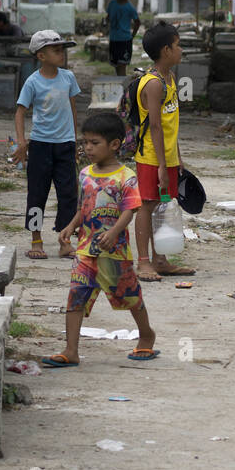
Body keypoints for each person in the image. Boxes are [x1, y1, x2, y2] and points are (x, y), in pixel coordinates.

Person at [41, 113, 156, 367]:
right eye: (85, 143)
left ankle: (146, 334)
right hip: (85, 251)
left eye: (94, 143)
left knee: (130, 296)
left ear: (114, 144)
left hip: (115, 253)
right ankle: (71, 350)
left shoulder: (126, 176)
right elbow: (84, 207)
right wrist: (70, 226)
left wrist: (114, 232)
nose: (87, 148)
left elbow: (130, 209)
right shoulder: (85, 174)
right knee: (76, 296)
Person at [133, 23, 194, 281]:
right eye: (178, 45)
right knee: (147, 205)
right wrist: (160, 165)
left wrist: (176, 157)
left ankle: (161, 260)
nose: (181, 49)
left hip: (166, 155)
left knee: (161, 206)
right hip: (150, 157)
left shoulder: (170, 79)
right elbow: (155, 125)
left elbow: (171, 124)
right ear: (166, 50)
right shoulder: (154, 84)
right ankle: (144, 262)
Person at [14, 30, 81, 261]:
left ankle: (65, 240)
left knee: (69, 194)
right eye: (56, 50)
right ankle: (36, 239)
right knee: (37, 194)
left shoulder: (68, 78)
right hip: (41, 145)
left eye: (62, 49)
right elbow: (20, 112)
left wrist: (75, 140)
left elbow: (72, 108)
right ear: (41, 56)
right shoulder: (33, 81)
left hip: (65, 145)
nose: (61, 53)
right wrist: (22, 143)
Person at [106, 0, 141, 75]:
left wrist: (132, 36)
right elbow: (108, 17)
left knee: (122, 67)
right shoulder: (112, 4)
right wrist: (105, 22)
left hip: (125, 40)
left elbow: (137, 22)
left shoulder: (130, 8)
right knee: (116, 66)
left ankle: (123, 88)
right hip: (113, 39)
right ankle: (120, 86)